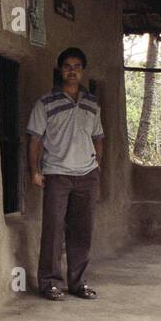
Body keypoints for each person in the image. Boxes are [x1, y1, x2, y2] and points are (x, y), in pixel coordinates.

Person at [26, 46, 104, 301]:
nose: (72, 71)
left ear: (82, 71)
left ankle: (77, 282)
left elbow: (98, 137)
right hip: (57, 174)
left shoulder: (92, 103)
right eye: (67, 66)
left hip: (87, 176)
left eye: (77, 67)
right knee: (53, 230)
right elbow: (35, 139)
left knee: (82, 231)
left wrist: (97, 165)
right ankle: (50, 283)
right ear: (60, 70)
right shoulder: (45, 103)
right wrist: (35, 171)